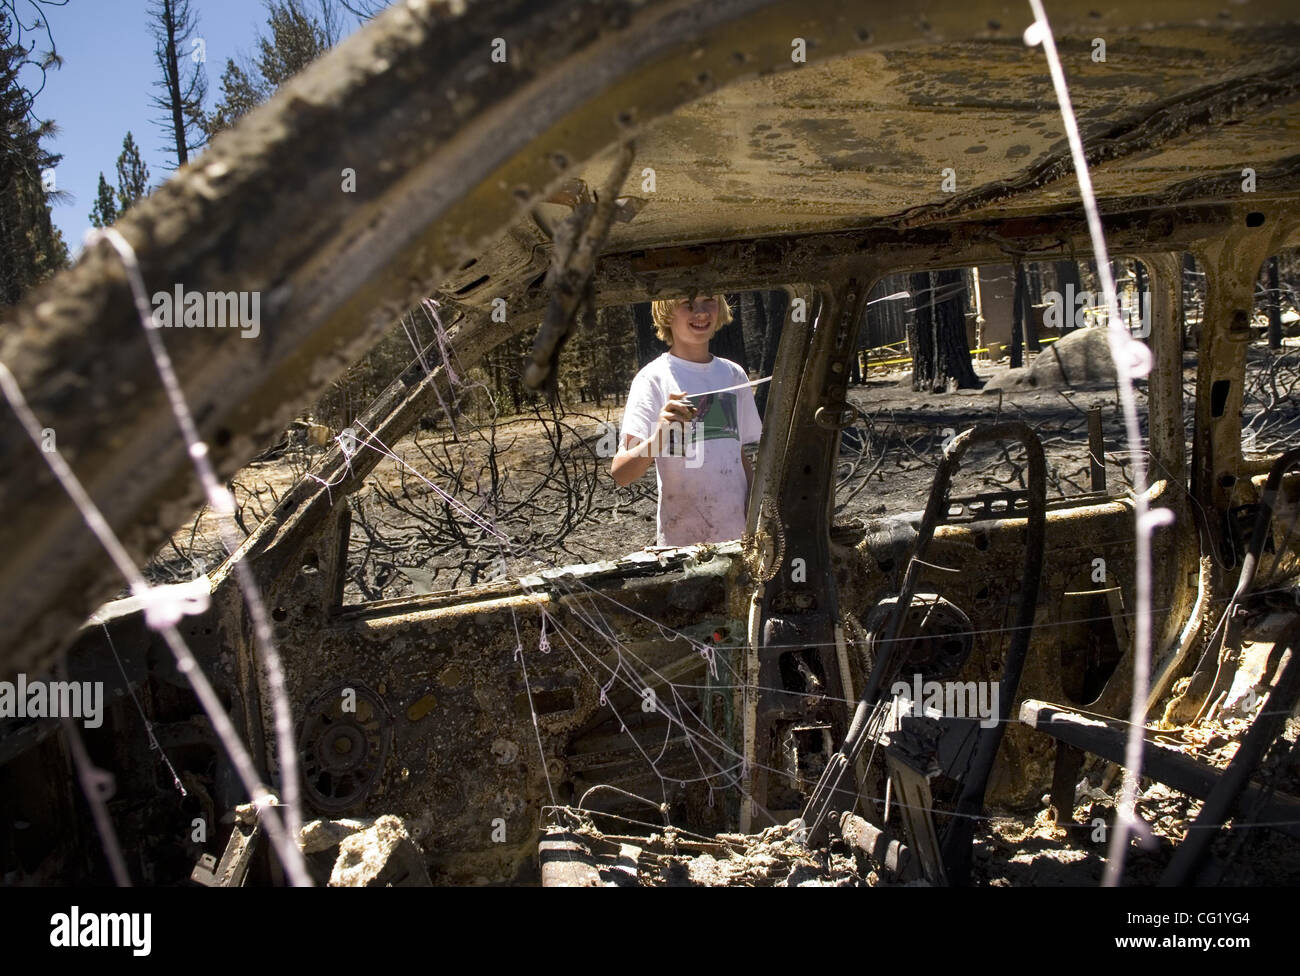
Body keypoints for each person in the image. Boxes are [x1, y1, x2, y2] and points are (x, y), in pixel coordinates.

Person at [611, 294, 762, 547]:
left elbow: (736, 454)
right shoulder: (652, 379)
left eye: (709, 301)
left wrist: (756, 508)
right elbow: (621, 474)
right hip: (682, 546)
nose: (701, 312)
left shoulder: (734, 374)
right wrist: (658, 438)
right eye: (687, 304)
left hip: (738, 540)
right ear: (666, 311)